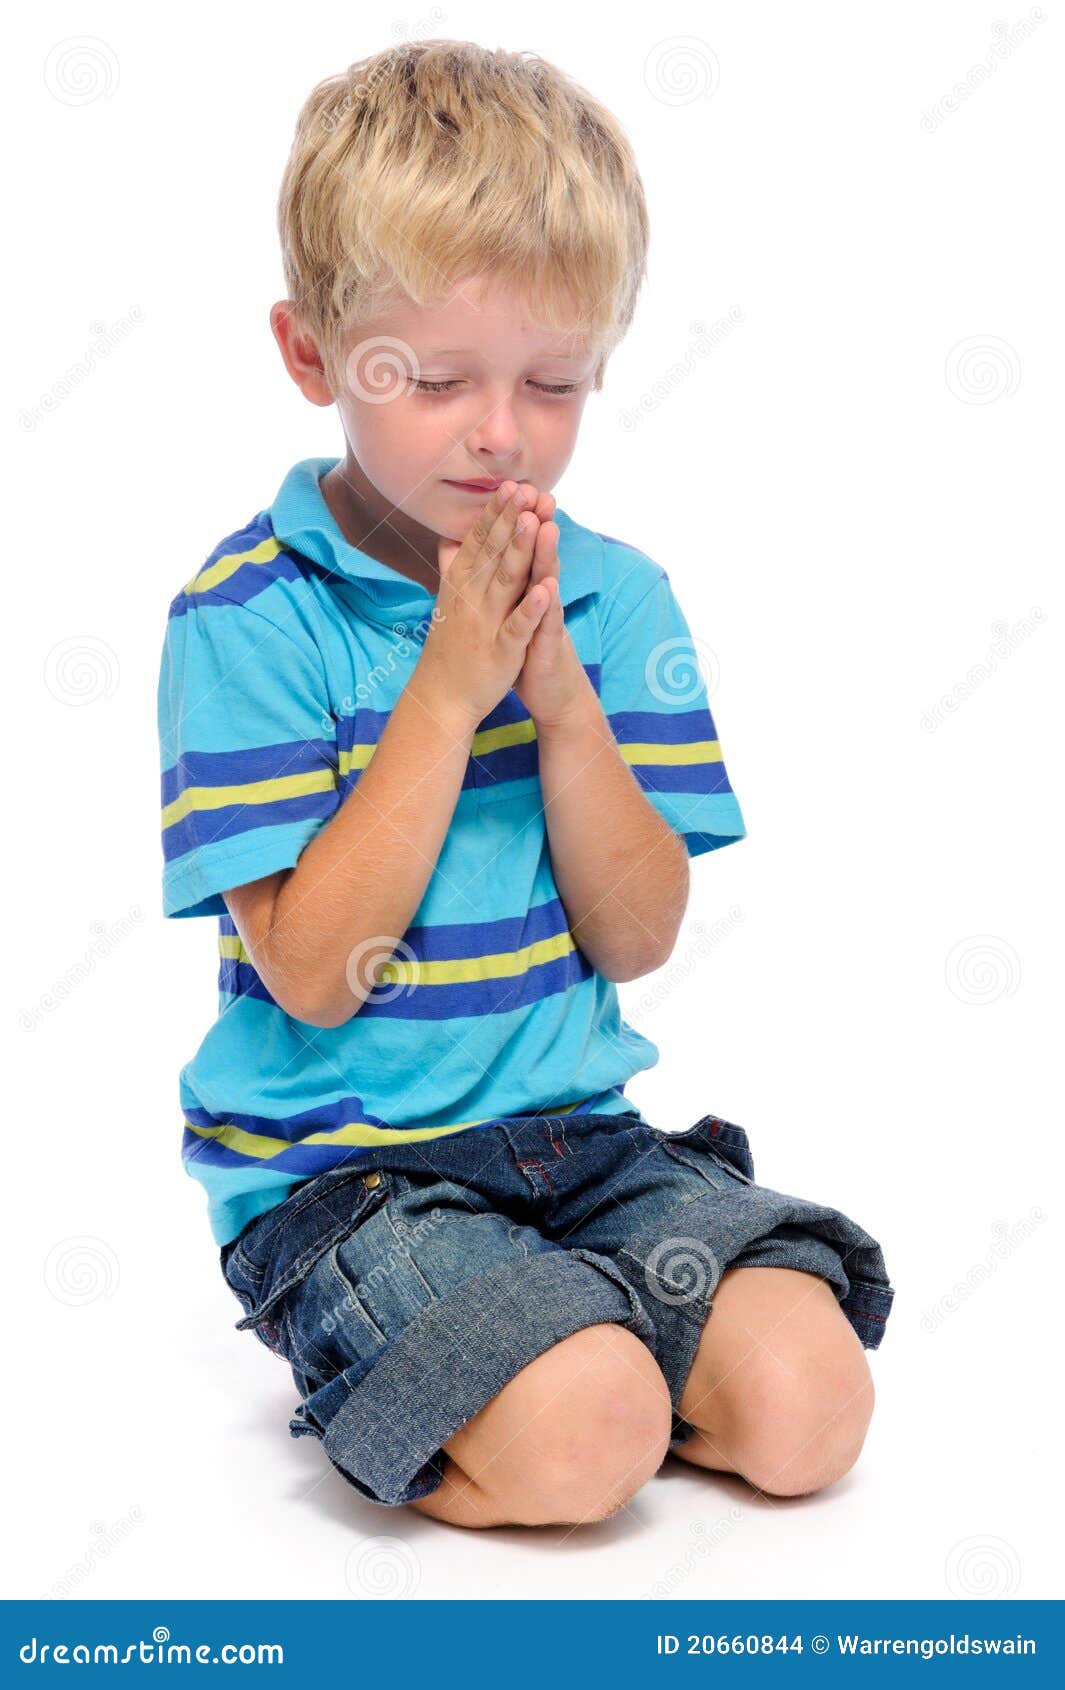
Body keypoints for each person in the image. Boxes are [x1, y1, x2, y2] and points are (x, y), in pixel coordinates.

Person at [156, 39, 894, 1528]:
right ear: (313, 357)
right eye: (432, 381)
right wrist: (443, 692)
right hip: (347, 1178)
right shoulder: (246, 619)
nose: (500, 433)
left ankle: (551, 1329)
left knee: (813, 1411)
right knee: (586, 1439)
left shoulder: (613, 603)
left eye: (551, 382)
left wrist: (561, 707)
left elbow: (635, 938)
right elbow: (308, 969)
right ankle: (497, 1357)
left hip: (585, 1150)